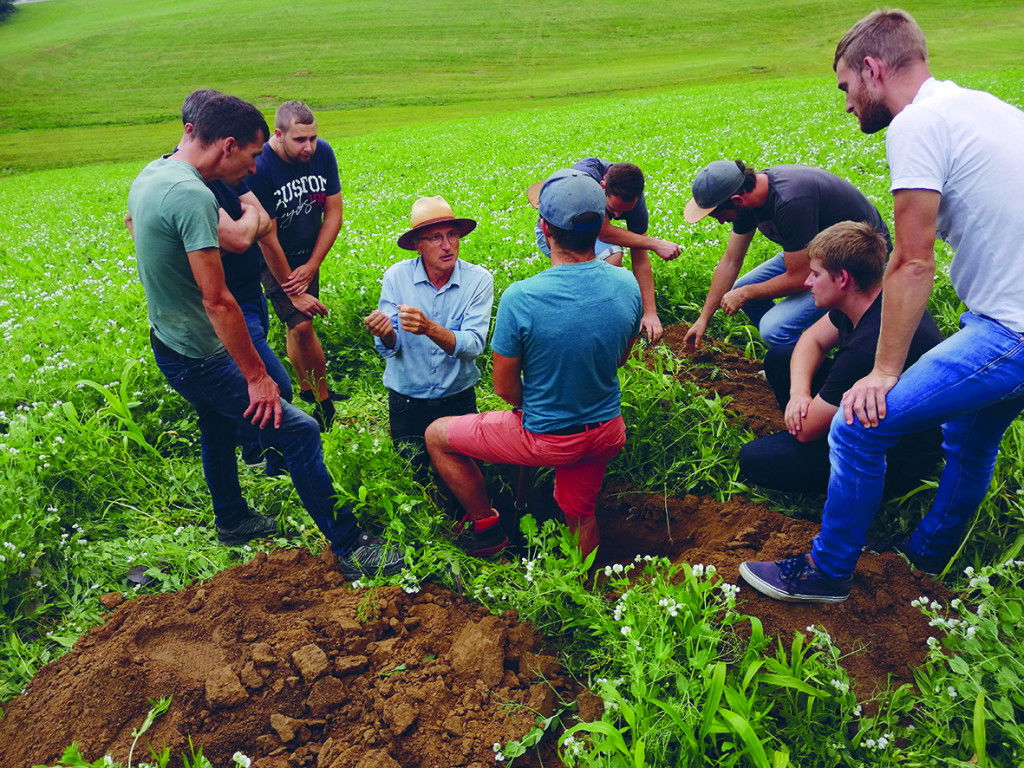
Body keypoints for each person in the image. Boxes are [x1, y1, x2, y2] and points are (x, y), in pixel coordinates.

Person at [740, 9, 1024, 603]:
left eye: (846, 86)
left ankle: (827, 572)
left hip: (1010, 328)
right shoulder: (983, 108)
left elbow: (913, 261)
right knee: (970, 444)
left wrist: (884, 371)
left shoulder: (917, 123)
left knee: (856, 426)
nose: (847, 103)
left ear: (872, 69)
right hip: (1004, 319)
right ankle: (919, 567)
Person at [128, 92, 402, 579]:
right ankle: (351, 545)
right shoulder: (191, 195)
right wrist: (256, 376)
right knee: (299, 429)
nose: (254, 168)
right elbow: (218, 300)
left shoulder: (155, 174)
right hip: (199, 352)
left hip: (172, 341)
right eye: (253, 156)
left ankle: (232, 518)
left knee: (216, 423)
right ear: (229, 146)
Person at [425, 169, 642, 558]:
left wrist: (542, 400)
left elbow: (505, 388)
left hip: (549, 437)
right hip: (606, 430)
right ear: (601, 225)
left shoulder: (523, 297)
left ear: (545, 227)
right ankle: (586, 591)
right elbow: (620, 358)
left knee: (437, 435)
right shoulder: (626, 283)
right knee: (580, 512)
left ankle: (487, 528)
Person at [738, 221, 941, 496]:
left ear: (842, 279)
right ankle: (809, 415)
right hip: (871, 411)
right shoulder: (869, 298)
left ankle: (816, 434)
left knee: (755, 459)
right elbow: (812, 339)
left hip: (895, 457)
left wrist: (806, 423)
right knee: (781, 357)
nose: (807, 282)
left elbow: (806, 432)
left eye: (815, 274)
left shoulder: (865, 347)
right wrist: (799, 394)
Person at [682, 160, 890, 350]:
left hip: (857, 265)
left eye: (717, 214)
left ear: (736, 199)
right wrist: (703, 318)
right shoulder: (747, 202)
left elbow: (801, 278)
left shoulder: (790, 200)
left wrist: (747, 293)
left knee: (773, 328)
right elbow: (730, 260)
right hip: (813, 256)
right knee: (742, 290)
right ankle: (786, 357)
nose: (719, 221)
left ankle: (816, 369)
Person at [363, 196, 493, 480]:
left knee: (468, 477)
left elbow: (473, 346)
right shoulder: (396, 277)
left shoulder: (478, 280)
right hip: (407, 400)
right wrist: (384, 333)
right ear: (417, 246)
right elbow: (391, 347)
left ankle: (472, 520)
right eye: (434, 238)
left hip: (457, 400)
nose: (447, 246)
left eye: (451, 235)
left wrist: (429, 328)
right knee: (415, 478)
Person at [247, 100, 343, 431]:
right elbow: (267, 236)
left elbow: (333, 213)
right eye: (300, 140)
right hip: (271, 257)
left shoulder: (323, 153)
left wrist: (312, 265)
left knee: (295, 327)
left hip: (307, 255)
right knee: (302, 325)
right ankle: (324, 402)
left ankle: (305, 388)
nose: (309, 147)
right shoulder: (261, 166)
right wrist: (292, 286)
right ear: (278, 134)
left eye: (313, 138)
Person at [528, 158, 680, 344]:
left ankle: (592, 308)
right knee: (600, 260)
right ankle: (575, 313)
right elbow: (604, 231)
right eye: (613, 210)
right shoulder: (584, 181)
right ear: (602, 187)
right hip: (556, 231)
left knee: (604, 262)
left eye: (623, 212)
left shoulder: (635, 202)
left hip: (588, 230)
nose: (617, 216)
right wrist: (654, 243)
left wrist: (650, 312)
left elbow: (640, 256)